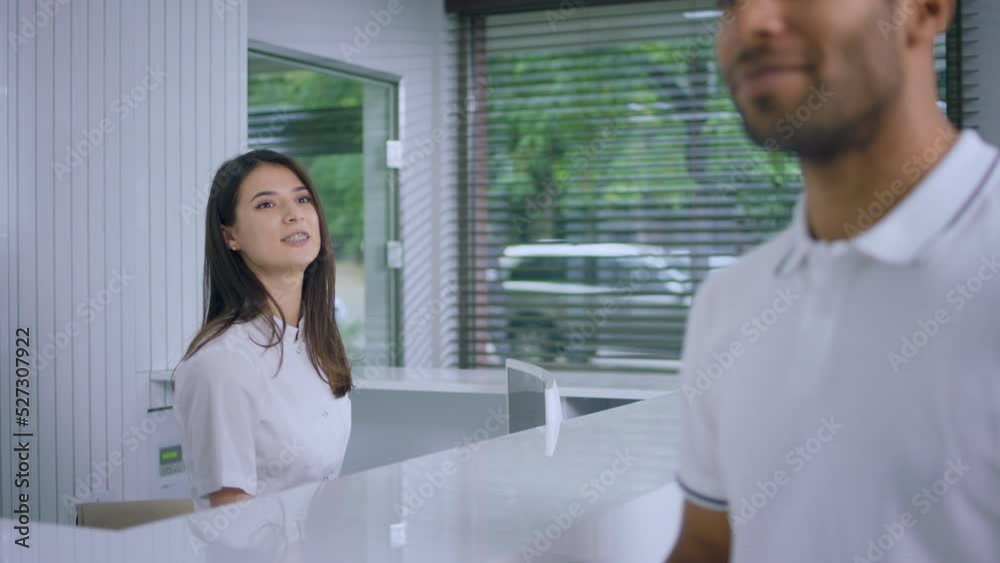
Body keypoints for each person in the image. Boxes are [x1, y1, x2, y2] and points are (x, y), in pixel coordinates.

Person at [667, 0, 999, 561]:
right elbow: (707, 543)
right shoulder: (727, 301)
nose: (750, 23)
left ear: (927, 10)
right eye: (728, 3)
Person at [172, 149, 354, 510]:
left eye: (302, 199)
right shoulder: (221, 364)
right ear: (230, 237)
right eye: (266, 205)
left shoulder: (314, 346)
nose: (294, 215)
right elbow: (232, 525)